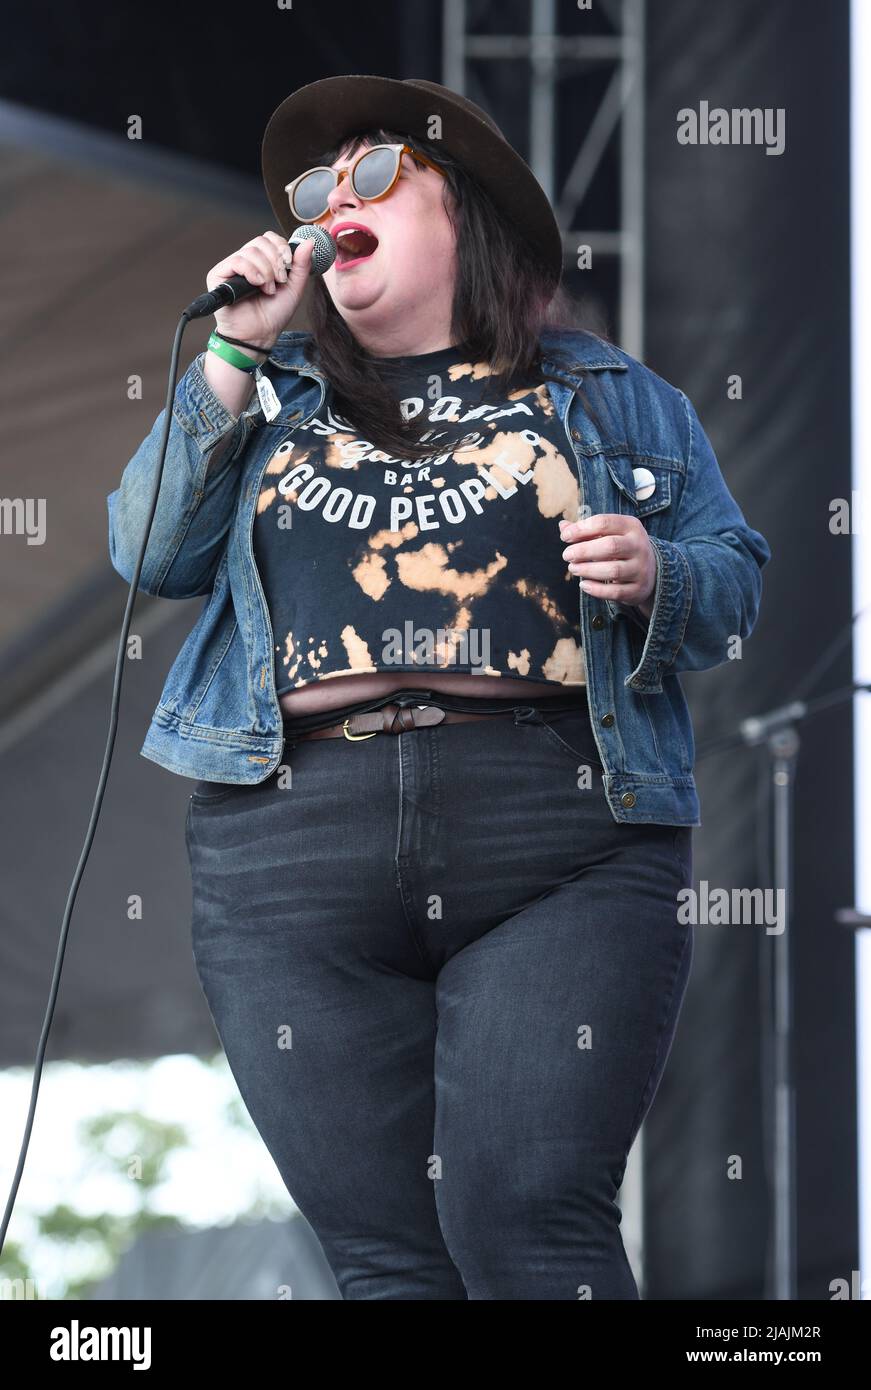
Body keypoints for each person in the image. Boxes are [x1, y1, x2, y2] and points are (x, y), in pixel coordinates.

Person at [107, 75, 771, 1300]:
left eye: (368, 176)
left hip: (558, 832)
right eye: (312, 191)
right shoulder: (268, 396)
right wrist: (232, 353)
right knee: (384, 1258)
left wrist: (654, 571)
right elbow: (149, 550)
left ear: (463, 212)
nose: (326, 204)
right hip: (288, 846)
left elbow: (735, 585)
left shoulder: (611, 395)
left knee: (527, 1221)